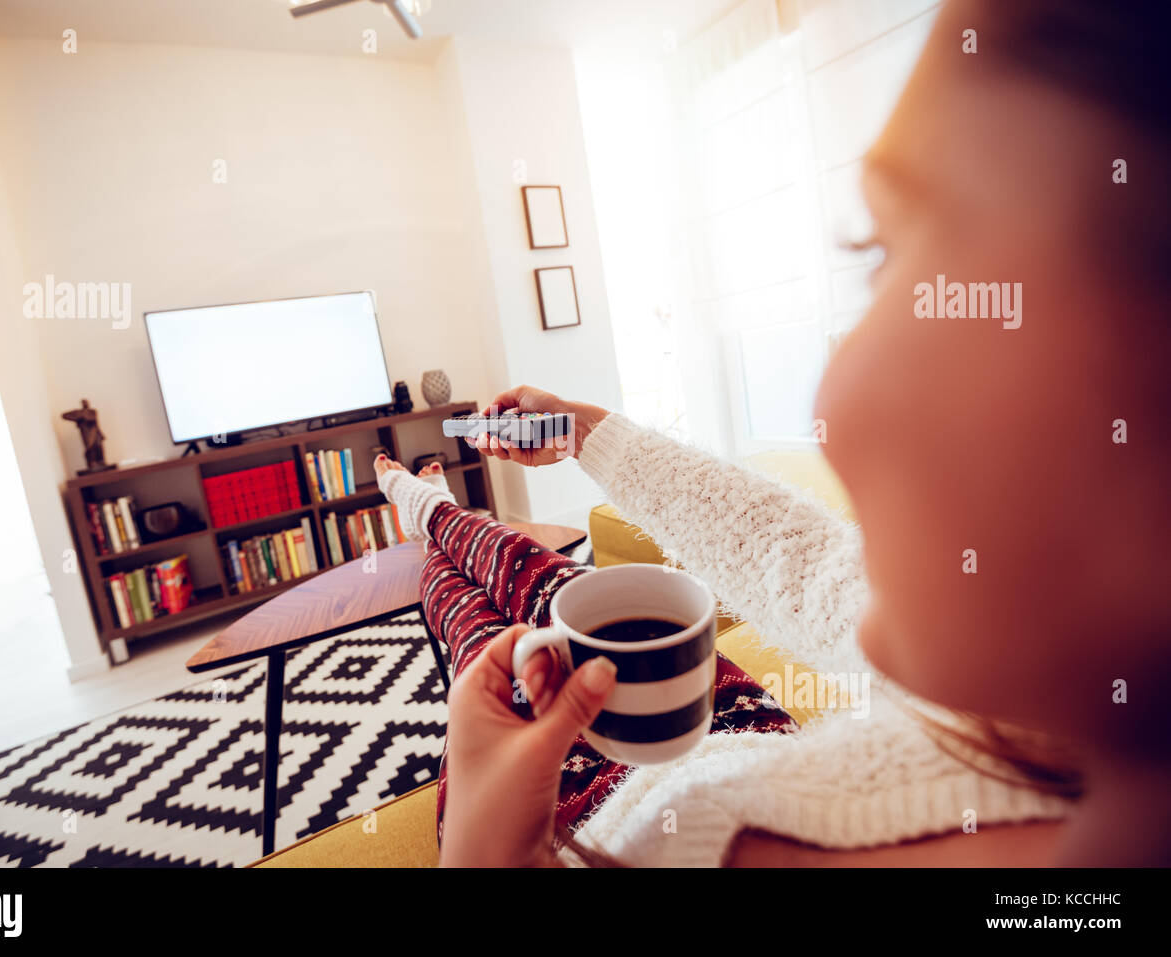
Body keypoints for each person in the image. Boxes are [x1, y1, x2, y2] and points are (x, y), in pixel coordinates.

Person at [376, 0, 1170, 866]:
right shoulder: (1035, 702)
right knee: (519, 565)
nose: (836, 403)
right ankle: (426, 506)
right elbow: (800, 559)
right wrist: (588, 434)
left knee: (461, 602)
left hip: (579, 792)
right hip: (730, 723)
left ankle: (417, 507)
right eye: (879, 254)